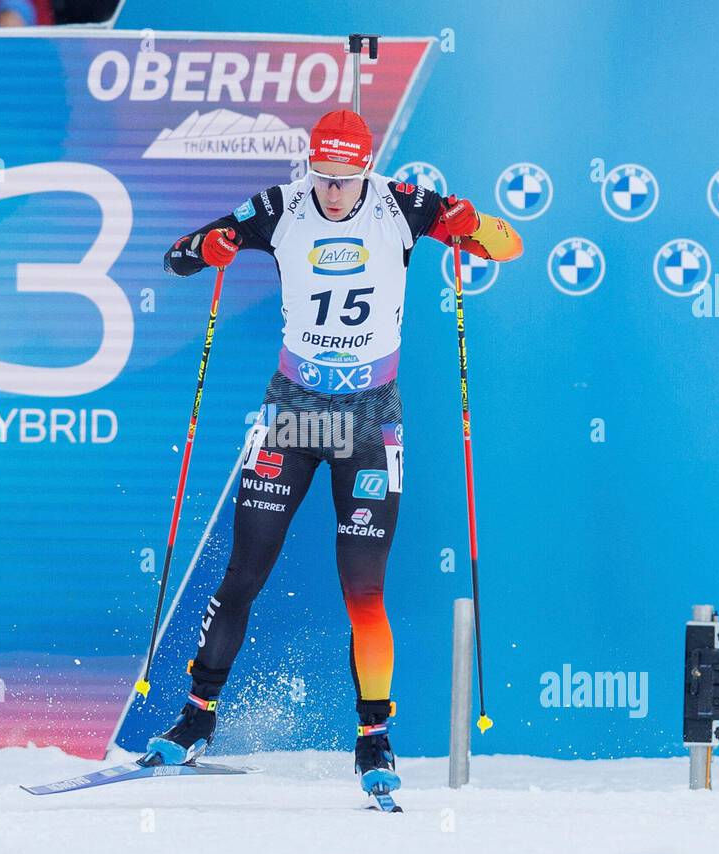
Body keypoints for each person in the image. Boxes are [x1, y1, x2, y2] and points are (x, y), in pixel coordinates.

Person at [151, 109, 522, 796]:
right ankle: (196, 719)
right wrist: (209, 250)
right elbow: (179, 255)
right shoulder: (279, 206)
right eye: (324, 177)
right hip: (294, 411)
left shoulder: (403, 205)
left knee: (366, 594)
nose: (334, 192)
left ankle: (373, 739)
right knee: (243, 575)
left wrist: (474, 226)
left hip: (370, 420)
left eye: (347, 180)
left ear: (367, 171)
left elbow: (507, 247)